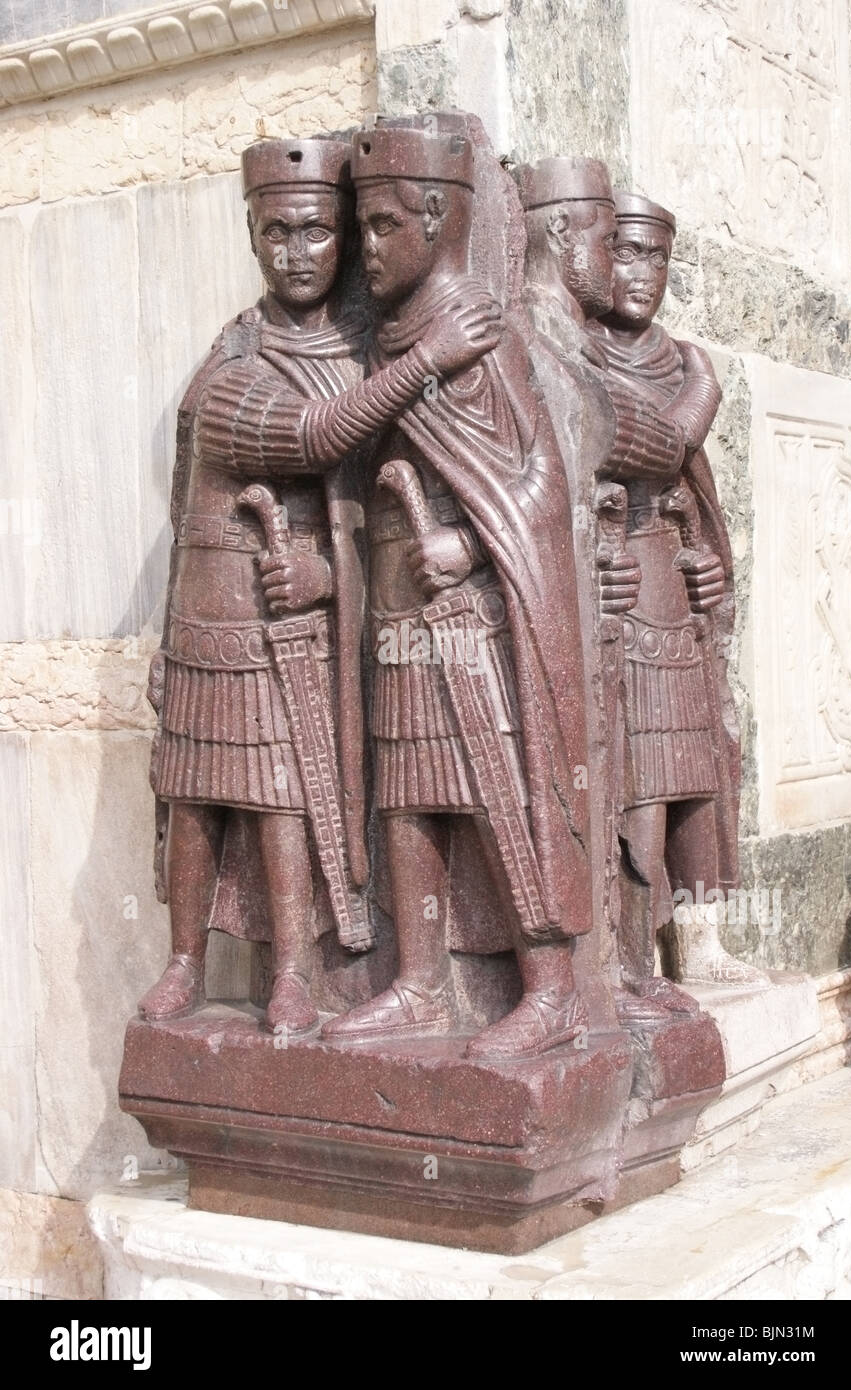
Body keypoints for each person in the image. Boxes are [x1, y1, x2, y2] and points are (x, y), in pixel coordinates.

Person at [139, 136, 502, 1034]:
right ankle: (185, 960)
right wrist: (429, 359)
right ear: (251, 236)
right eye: (277, 233)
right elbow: (306, 440)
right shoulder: (235, 358)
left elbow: (370, 487)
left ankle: (297, 970)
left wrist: (326, 569)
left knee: (281, 793)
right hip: (215, 604)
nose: (297, 252)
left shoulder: (361, 349)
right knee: (197, 794)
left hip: (307, 619)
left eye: (315, 232)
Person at [321, 120, 593, 1059]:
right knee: (407, 791)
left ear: (439, 221)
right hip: (400, 603)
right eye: (361, 226)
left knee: (498, 789)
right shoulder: (396, 337)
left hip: (471, 611)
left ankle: (550, 987)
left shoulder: (480, 335)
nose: (368, 247)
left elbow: (540, 483)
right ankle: (421, 984)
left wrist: (472, 550)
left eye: (386, 225)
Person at [587, 190, 766, 1002]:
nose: (638, 272)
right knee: (642, 775)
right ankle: (631, 948)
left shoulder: (679, 356)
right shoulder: (577, 352)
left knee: (701, 763)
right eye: (622, 251)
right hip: (619, 589)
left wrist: (708, 563)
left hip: (675, 586)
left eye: (653, 256)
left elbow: (692, 486)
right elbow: (627, 456)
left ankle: (697, 937)